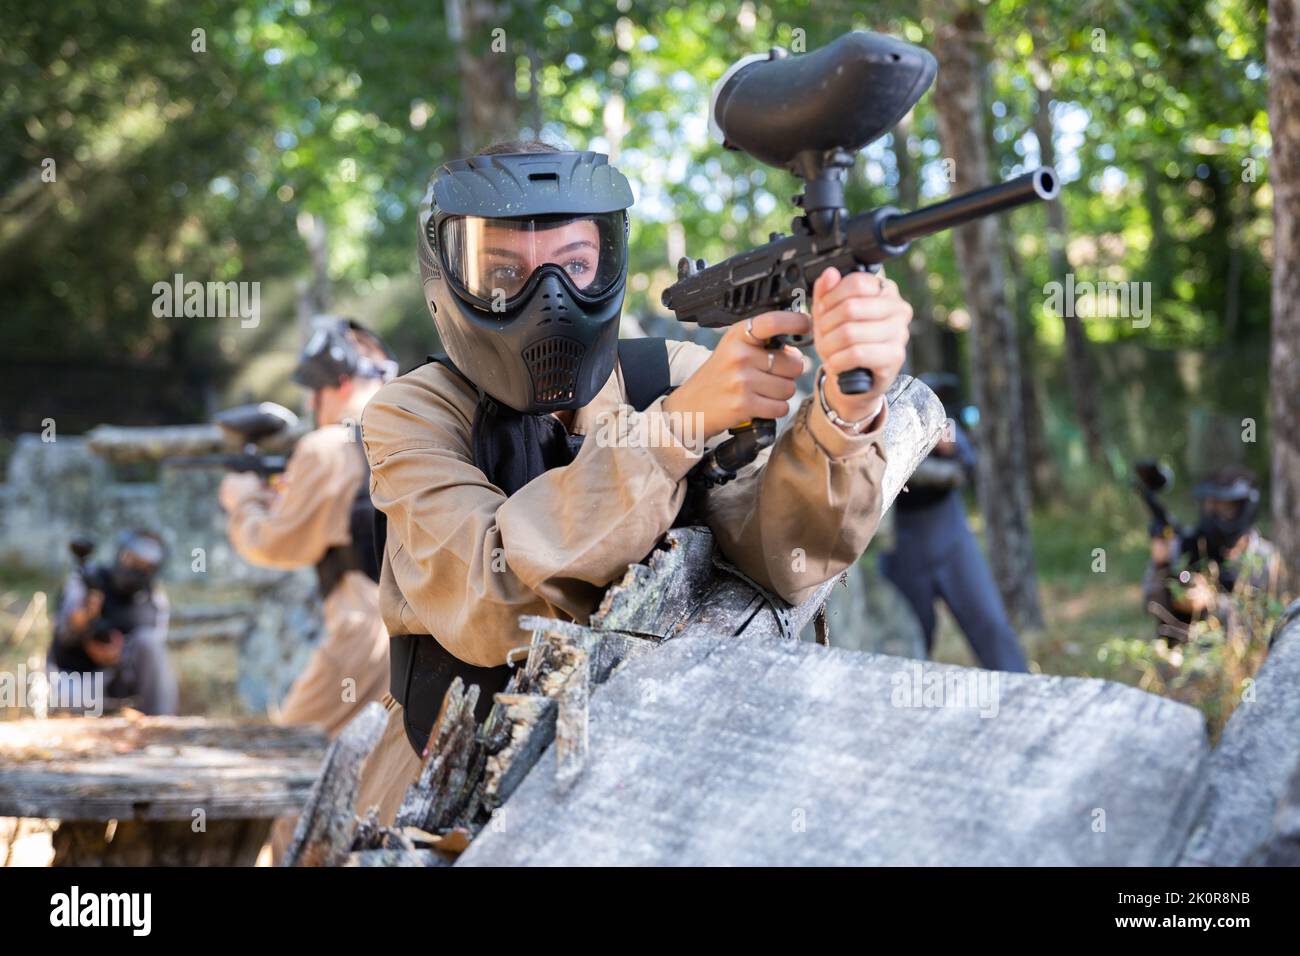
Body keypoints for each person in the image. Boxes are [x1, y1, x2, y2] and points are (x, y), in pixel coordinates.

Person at [352, 140, 915, 823]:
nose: (550, 299)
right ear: (447, 278)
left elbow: (787, 557)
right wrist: (674, 429)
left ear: (609, 261)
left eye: (575, 265)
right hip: (448, 797)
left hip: (659, 785)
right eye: (503, 272)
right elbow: (491, 601)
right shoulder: (412, 413)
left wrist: (844, 413)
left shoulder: (668, 376)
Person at [218, 317, 397, 860]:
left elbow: (275, 545)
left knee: (286, 764)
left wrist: (244, 500)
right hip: (420, 636)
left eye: (314, 392)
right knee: (374, 779)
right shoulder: (408, 431)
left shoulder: (326, 447)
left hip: (363, 639)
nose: (312, 404)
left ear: (337, 383)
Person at [878, 374, 1028, 672]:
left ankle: (1023, 691)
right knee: (906, 644)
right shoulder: (871, 413)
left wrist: (951, 447)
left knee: (991, 625)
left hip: (951, 537)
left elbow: (967, 462)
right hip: (901, 546)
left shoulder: (938, 415)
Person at [1144, 465, 1282, 644]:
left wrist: (1212, 604)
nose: (1213, 517)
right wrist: (1161, 566)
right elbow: (1150, 605)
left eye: (1222, 508)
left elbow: (1264, 628)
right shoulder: (1188, 545)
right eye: (1209, 507)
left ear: (1244, 508)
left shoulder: (1266, 559)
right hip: (1181, 654)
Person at [48, 530, 177, 716]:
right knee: (66, 701)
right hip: (75, 678)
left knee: (149, 642)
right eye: (131, 560)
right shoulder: (85, 581)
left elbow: (153, 654)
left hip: (120, 684)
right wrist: (85, 620)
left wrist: (117, 654)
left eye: (144, 566)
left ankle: (161, 721)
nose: (134, 569)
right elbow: (64, 631)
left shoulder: (154, 600)